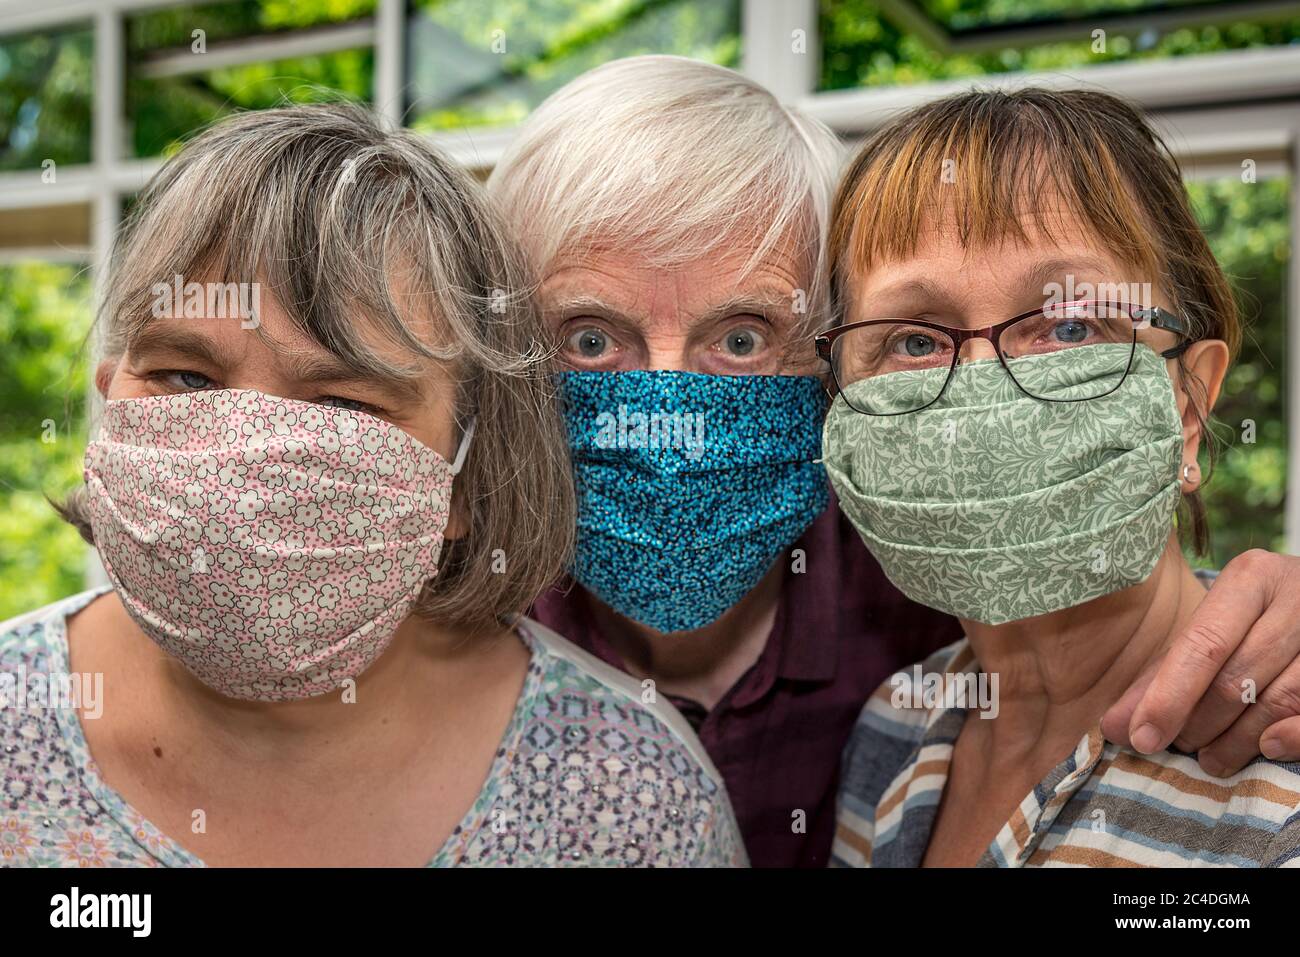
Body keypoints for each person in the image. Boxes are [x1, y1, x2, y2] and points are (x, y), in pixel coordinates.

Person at [490, 55, 1300, 867]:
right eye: (589, 339)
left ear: (1190, 404)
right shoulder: (896, 736)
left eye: (742, 338)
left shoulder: (918, 590)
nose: (668, 412)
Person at [0, 103, 743, 867]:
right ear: (109, 399)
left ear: (462, 473)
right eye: (186, 376)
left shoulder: (631, 801)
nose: (249, 450)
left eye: (345, 404)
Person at [826, 88, 1300, 867]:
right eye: (914, 340)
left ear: (1188, 405)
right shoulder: (891, 727)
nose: (987, 392)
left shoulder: (1277, 795)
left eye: (1069, 325)